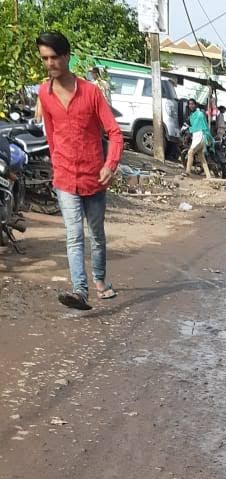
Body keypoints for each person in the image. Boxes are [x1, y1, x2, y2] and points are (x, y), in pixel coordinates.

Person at [36, 31, 123, 310]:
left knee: (96, 234)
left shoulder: (91, 93)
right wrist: (56, 164)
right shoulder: (43, 94)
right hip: (64, 177)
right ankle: (80, 291)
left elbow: (114, 132)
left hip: (94, 177)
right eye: (45, 58)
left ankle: (99, 280)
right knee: (74, 235)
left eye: (54, 57)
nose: (49, 63)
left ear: (66, 57)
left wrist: (110, 165)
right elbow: (51, 136)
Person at [182, 102, 212, 179]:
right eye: (189, 104)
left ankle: (187, 172)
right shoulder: (193, 115)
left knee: (190, 152)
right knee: (202, 157)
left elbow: (198, 126)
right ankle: (208, 176)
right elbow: (193, 125)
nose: (191, 105)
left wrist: (189, 128)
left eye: (192, 104)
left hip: (200, 136)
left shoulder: (199, 114)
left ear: (195, 105)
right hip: (197, 136)